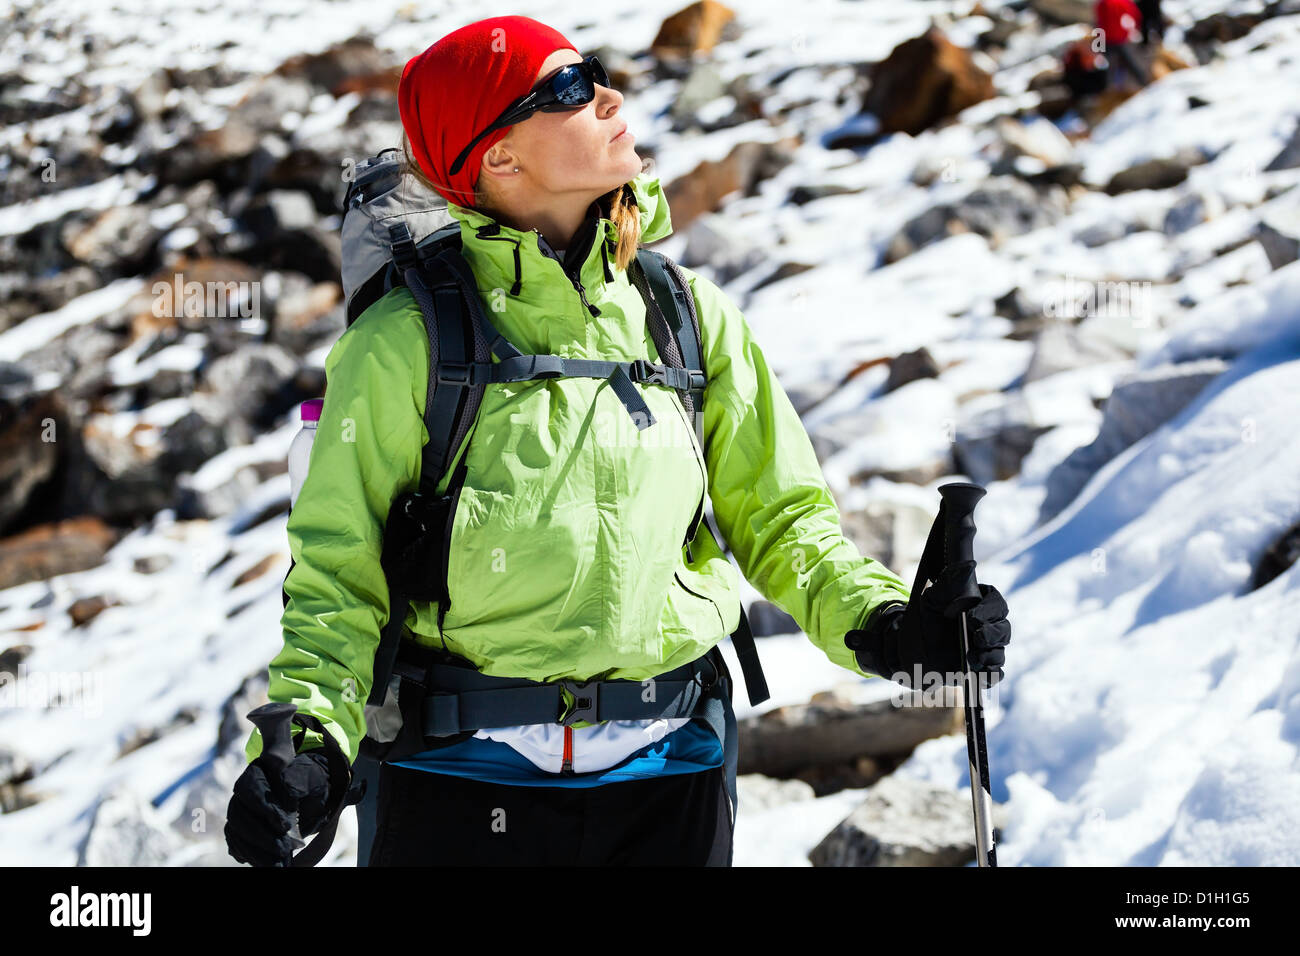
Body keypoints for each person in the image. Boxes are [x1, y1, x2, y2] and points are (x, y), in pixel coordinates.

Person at [224, 15, 1011, 868]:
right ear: (499, 157)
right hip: (457, 784)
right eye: (568, 87)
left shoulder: (684, 316)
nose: (609, 95)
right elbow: (340, 571)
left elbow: (783, 521)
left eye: (595, 72)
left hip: (673, 777)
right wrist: (308, 742)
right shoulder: (403, 342)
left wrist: (891, 625)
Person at [1094, 0, 1149, 88]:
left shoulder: (1103, 3)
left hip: (1108, 38)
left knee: (1106, 66)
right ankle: (1144, 82)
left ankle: (1106, 88)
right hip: (1121, 37)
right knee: (1130, 63)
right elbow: (1136, 16)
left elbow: (1100, 22)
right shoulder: (1125, 2)